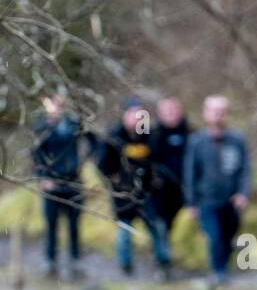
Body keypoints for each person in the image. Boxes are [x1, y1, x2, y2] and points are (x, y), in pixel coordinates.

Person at [96, 97, 172, 278]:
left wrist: (154, 177)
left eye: (140, 115)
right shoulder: (114, 136)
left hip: (146, 191)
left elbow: (157, 158)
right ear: (125, 115)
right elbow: (102, 164)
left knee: (156, 226)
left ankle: (163, 262)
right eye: (133, 115)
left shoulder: (148, 135)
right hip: (122, 194)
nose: (137, 119)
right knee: (124, 231)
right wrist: (114, 180)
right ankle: (125, 266)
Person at [184, 95, 251, 284]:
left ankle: (224, 262)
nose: (218, 116)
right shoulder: (197, 142)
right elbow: (190, 173)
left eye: (221, 112)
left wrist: (243, 193)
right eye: (214, 111)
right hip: (206, 200)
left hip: (231, 200)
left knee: (228, 233)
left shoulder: (237, 140)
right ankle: (219, 272)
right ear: (206, 114)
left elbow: (245, 169)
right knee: (214, 237)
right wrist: (191, 202)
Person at [31, 91, 93, 279]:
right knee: (51, 224)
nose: (57, 108)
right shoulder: (42, 127)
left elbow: (90, 137)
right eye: (54, 104)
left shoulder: (73, 123)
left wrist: (85, 162)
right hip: (51, 182)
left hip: (73, 181)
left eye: (60, 104)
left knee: (74, 225)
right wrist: (42, 177)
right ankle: (50, 261)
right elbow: (36, 155)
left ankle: (75, 260)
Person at [150, 96, 190, 233]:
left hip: (186, 188)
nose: (170, 113)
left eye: (173, 109)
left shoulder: (191, 134)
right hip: (161, 192)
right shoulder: (152, 135)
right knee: (162, 224)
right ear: (159, 113)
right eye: (166, 110)